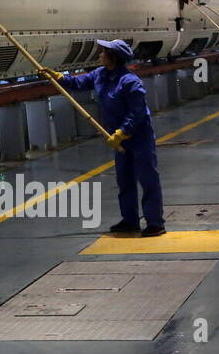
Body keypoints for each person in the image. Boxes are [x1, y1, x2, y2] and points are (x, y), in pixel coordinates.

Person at [42, 39, 164, 237]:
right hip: (117, 136)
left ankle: (155, 223)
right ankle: (130, 220)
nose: (99, 55)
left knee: (147, 178)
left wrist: (123, 132)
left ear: (113, 57)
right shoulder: (100, 75)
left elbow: (138, 112)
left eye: (103, 52)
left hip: (138, 136)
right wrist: (58, 77)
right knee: (124, 180)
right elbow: (78, 82)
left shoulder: (130, 82)